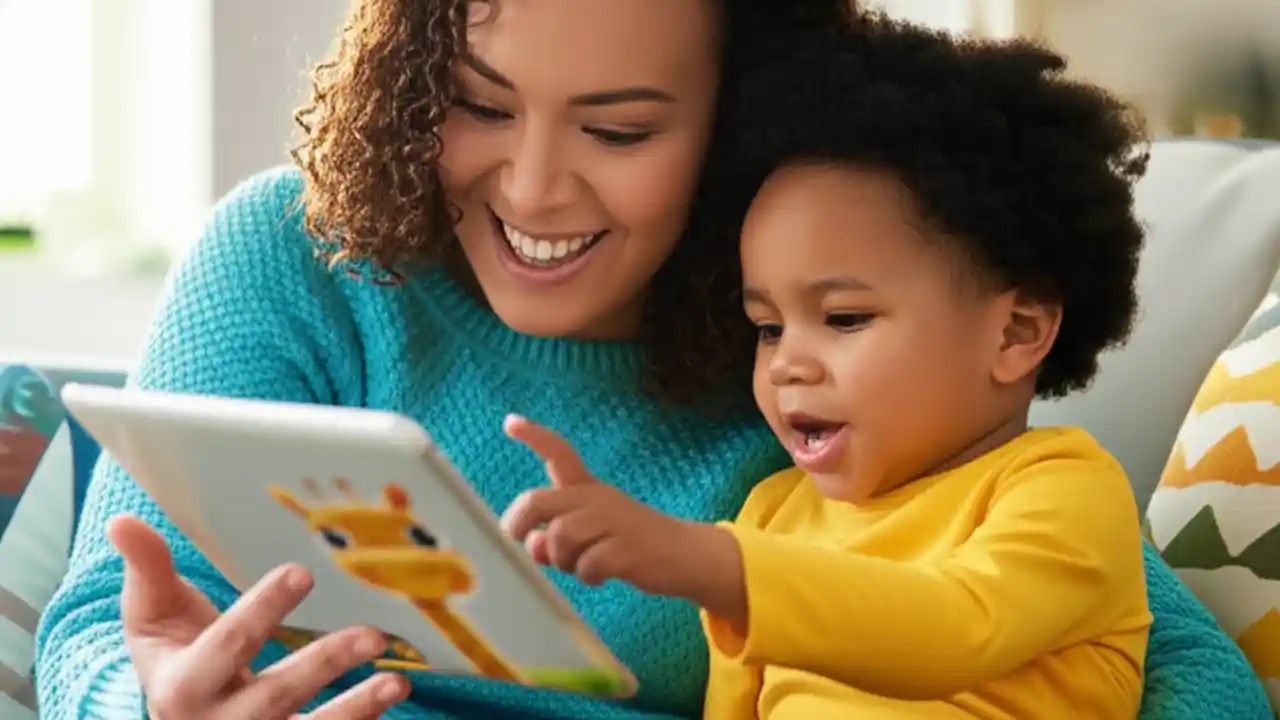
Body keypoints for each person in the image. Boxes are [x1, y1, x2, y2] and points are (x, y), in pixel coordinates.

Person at [32, 1, 1271, 719]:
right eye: (478, 103)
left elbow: (1167, 663)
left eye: (618, 129)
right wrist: (147, 698)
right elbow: (98, 623)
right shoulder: (295, 255)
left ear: (735, 129)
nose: (531, 189)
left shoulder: (821, 357)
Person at [500, 16, 1154, 717]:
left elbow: (962, 626)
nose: (787, 364)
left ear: (1017, 332)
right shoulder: (772, 514)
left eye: (844, 319)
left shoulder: (1062, 487)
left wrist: (707, 563)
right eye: (768, 328)